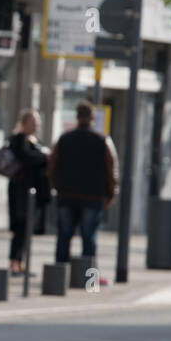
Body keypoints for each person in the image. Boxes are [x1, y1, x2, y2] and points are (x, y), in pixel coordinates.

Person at [48, 101, 117, 267]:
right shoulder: (102, 140)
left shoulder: (64, 139)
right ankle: (89, 282)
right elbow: (111, 168)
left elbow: (52, 165)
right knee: (89, 239)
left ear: (77, 117)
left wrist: (55, 186)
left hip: (67, 194)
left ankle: (59, 278)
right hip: (93, 196)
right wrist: (111, 192)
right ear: (92, 117)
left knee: (64, 237)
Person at [7, 107, 50, 275]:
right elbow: (26, 159)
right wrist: (45, 157)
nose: (36, 125)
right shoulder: (19, 139)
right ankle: (14, 263)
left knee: (27, 230)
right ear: (24, 123)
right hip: (21, 191)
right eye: (33, 122)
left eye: (37, 122)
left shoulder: (35, 141)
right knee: (20, 228)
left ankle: (21, 263)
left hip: (34, 191)